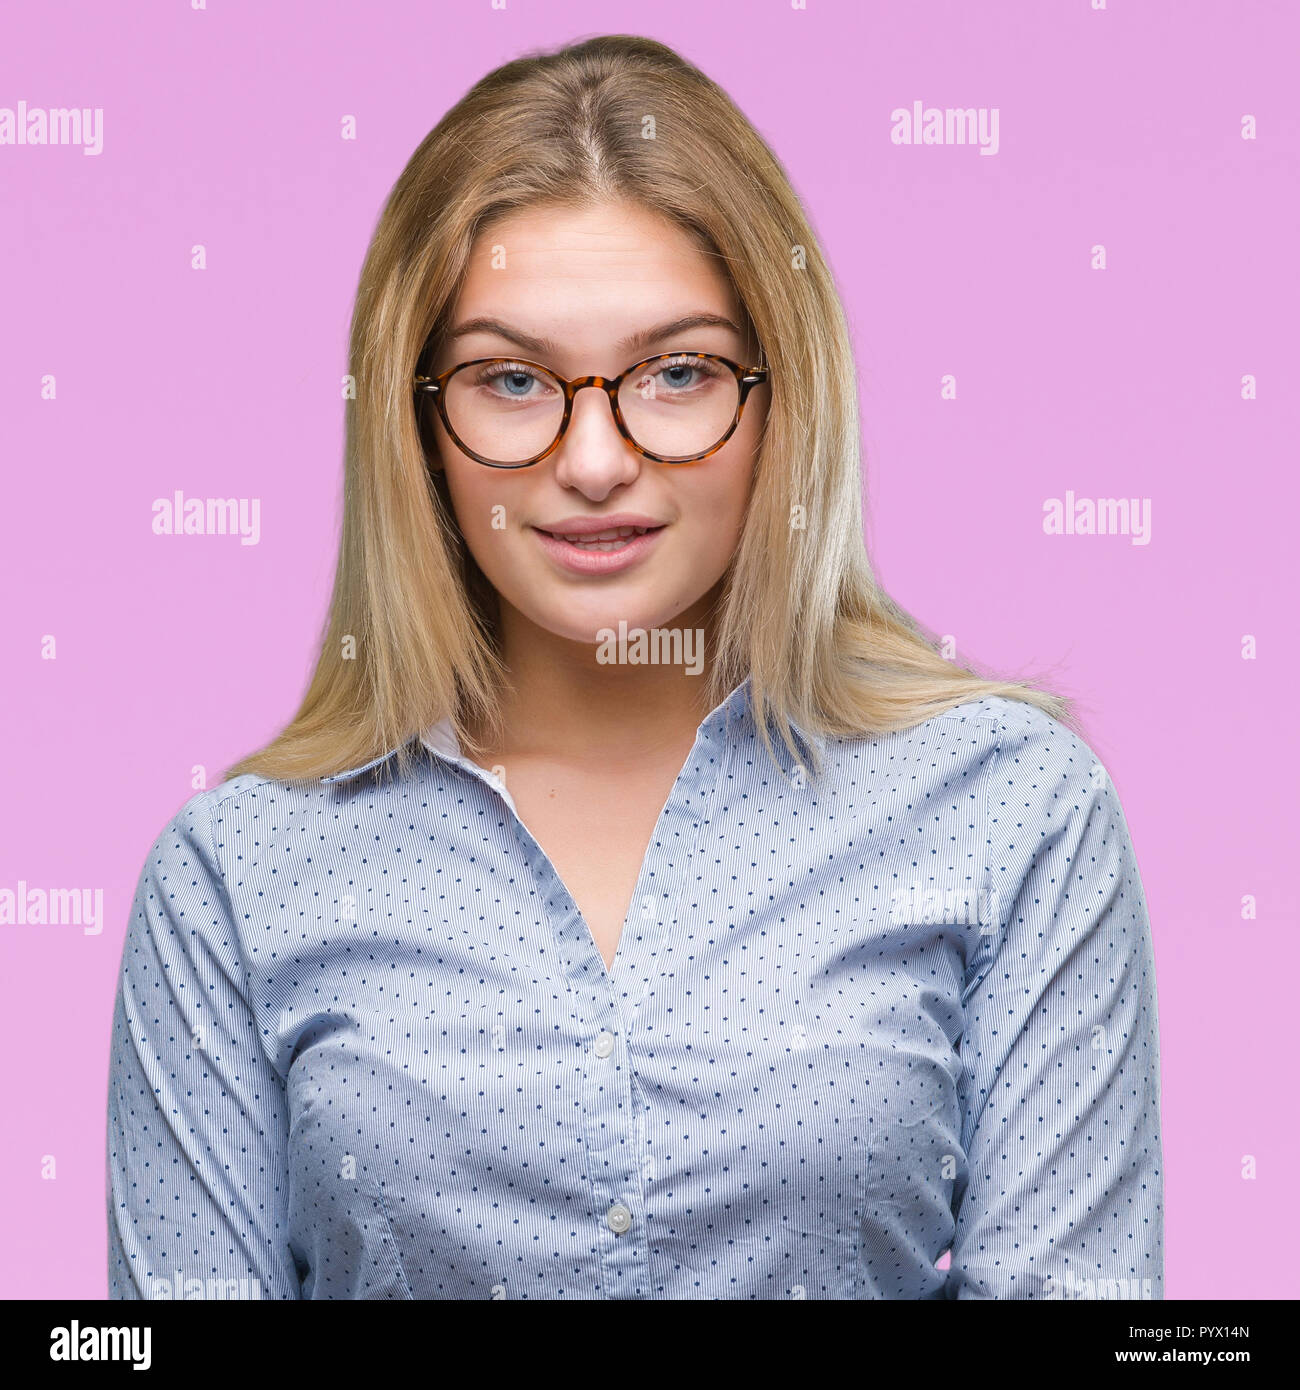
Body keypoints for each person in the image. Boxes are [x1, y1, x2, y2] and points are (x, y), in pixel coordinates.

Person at [107, 34, 1162, 1300]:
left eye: (676, 372)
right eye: (510, 378)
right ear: (414, 419)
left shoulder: (1013, 812)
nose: (596, 458)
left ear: (782, 396)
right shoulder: (234, 880)